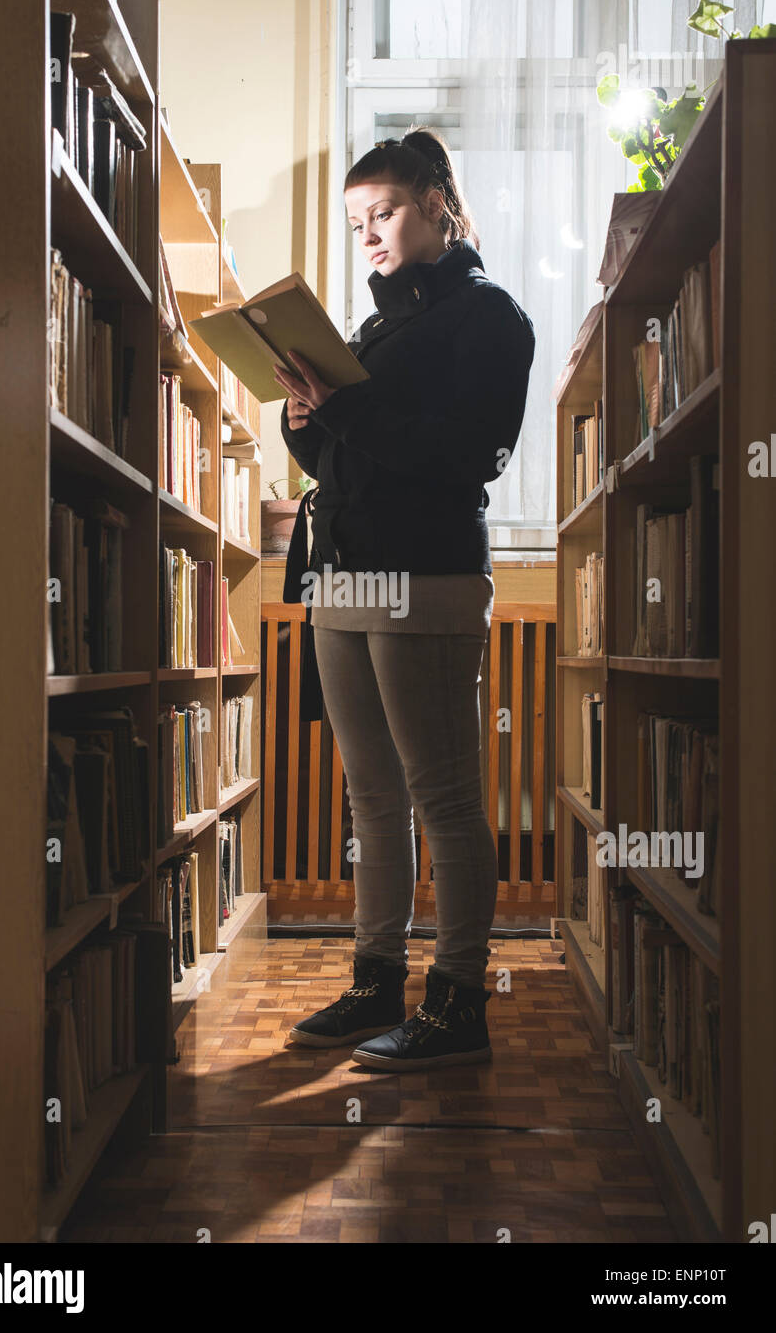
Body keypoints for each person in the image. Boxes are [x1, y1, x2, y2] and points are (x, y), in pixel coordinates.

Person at [275, 127, 535, 1072]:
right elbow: (341, 462)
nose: (371, 234)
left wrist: (342, 409)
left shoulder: (488, 317)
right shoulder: (372, 331)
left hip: (424, 575)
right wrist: (305, 418)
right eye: (356, 223)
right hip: (341, 573)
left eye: (382, 212)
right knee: (369, 800)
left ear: (434, 201)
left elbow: (462, 457)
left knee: (445, 799)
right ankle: (375, 977)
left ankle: (459, 999)